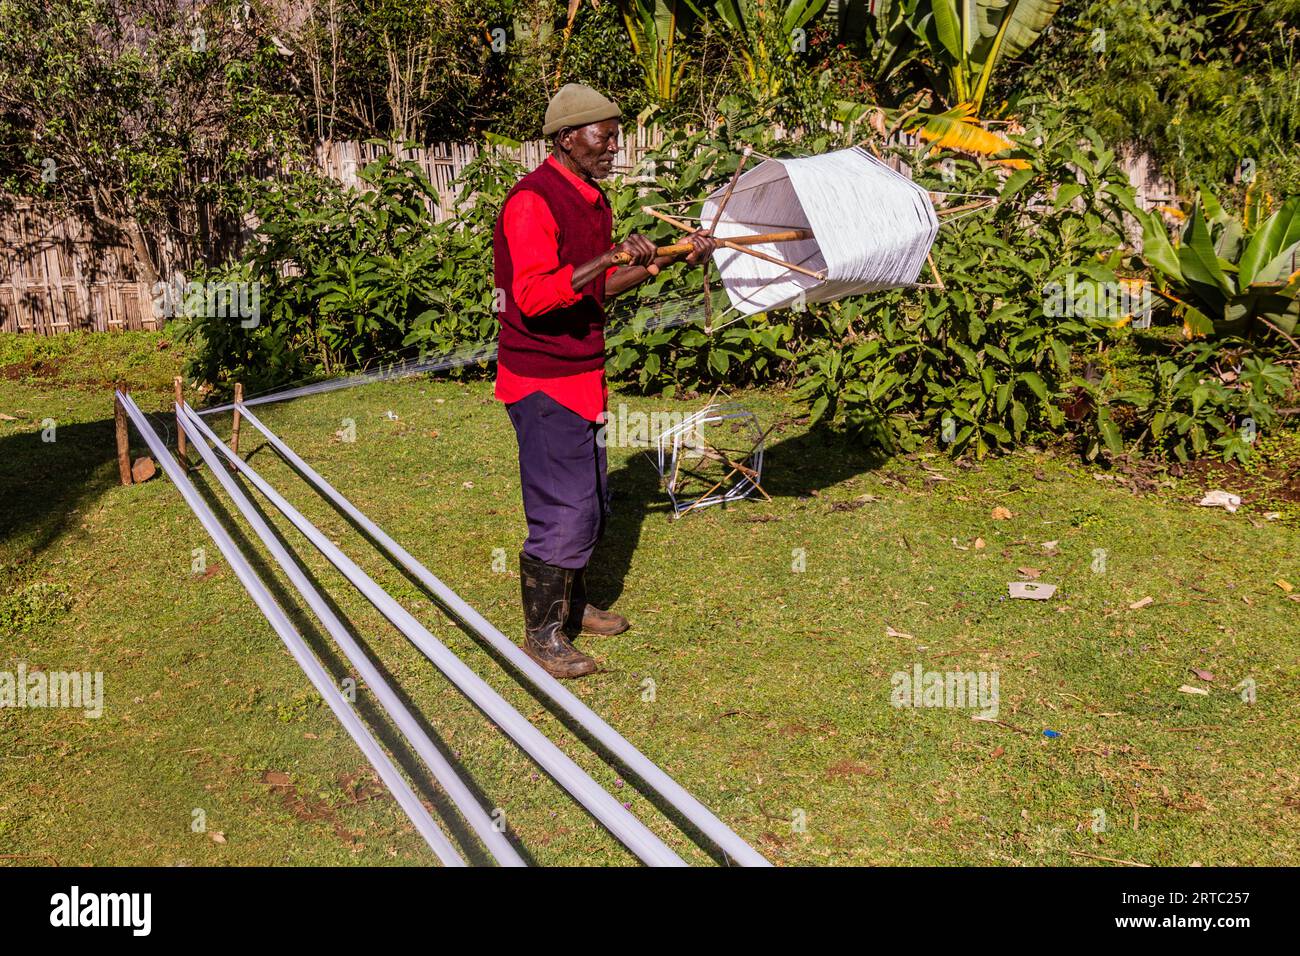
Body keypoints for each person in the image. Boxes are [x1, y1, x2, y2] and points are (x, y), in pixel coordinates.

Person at [492, 83, 716, 679]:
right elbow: (535, 296)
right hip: (541, 379)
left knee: (591, 497)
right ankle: (542, 634)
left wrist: (667, 258)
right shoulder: (531, 203)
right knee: (562, 508)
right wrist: (612, 257)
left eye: (615, 134)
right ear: (568, 137)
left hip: (582, 370)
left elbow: (597, 287)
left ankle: (571, 604)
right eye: (605, 134)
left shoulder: (591, 197)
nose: (614, 145)